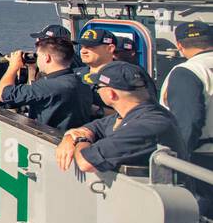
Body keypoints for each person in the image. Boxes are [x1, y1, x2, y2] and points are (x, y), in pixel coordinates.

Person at [56, 62, 185, 173]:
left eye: (98, 87)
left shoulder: (148, 125)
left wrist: (80, 139)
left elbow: (86, 162)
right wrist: (70, 136)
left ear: (111, 94)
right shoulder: (132, 115)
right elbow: (94, 127)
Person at [0, 35, 93, 131]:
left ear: (47, 58)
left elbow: (0, 94)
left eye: (38, 56)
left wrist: (13, 66)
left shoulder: (48, 86)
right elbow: (36, 95)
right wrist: (32, 68)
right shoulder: (79, 82)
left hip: (48, 140)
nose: (37, 59)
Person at [160, 20, 213, 166]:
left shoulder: (188, 72)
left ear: (179, 45)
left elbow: (188, 120)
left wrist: (179, 158)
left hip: (202, 159)